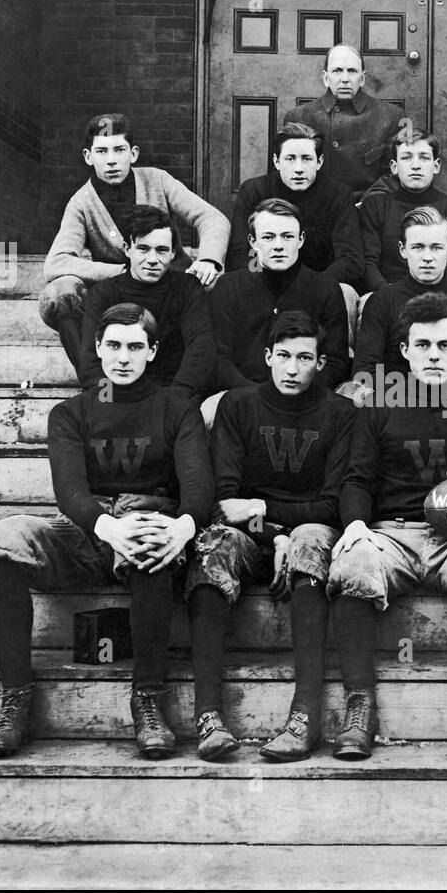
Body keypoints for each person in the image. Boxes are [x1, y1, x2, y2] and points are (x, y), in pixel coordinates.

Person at [0, 303, 213, 761]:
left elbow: (197, 484)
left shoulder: (178, 408)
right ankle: (16, 699)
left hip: (150, 518)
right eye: (115, 346)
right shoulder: (71, 412)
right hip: (86, 529)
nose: (124, 357)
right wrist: (108, 528)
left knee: (153, 541)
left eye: (136, 347)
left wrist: (183, 528)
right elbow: (69, 491)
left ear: (153, 351)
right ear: (99, 350)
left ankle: (147, 699)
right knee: (6, 541)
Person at [327, 292, 447, 762]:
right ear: (405, 350)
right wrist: (353, 524)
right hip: (394, 531)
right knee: (353, 565)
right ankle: (358, 705)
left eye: (444, 345)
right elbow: (357, 478)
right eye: (423, 345)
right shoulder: (377, 407)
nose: (434, 355)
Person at [186, 311, 356, 762]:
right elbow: (224, 499)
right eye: (283, 356)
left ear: (321, 363)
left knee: (310, 539)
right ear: (267, 357)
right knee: (214, 545)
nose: (293, 368)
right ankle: (208, 715)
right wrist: (273, 531)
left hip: (303, 532)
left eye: (305, 357)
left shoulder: (340, 412)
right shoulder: (237, 405)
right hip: (250, 534)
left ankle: (305, 716)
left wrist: (268, 514)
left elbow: (334, 503)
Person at [40, 112, 230, 372]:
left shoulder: (157, 180)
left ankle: (209, 373)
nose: (111, 160)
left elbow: (212, 218)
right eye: (102, 151)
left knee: (222, 284)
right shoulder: (82, 202)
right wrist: (121, 271)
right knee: (60, 291)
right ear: (88, 156)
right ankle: (97, 382)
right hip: (121, 297)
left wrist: (208, 260)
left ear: (133, 153)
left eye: (119, 150)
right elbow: (56, 263)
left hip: (171, 286)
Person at [206, 198, 350, 407]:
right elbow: (217, 359)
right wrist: (255, 395)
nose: (278, 246)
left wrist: (298, 394)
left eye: (287, 236)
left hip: (306, 398)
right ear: (253, 242)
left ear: (301, 239)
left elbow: (335, 362)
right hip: (241, 397)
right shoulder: (228, 287)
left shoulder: (326, 289)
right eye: (268, 237)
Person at [347, 207, 447, 396]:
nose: (427, 257)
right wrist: (415, 395)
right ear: (403, 250)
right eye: (417, 247)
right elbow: (365, 372)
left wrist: (435, 394)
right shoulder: (382, 300)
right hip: (397, 403)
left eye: (436, 247)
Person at [77, 204, 216, 398]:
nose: (153, 259)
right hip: (119, 393)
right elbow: (90, 359)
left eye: (161, 250)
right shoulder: (103, 293)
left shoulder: (187, 288)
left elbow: (201, 347)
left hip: (172, 392)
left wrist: (177, 396)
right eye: (143, 249)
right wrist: (112, 398)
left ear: (173, 253)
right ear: (127, 249)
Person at [227, 121, 364, 295]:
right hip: (262, 286)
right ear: (276, 161)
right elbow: (240, 253)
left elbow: (350, 260)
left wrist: (310, 286)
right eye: (290, 159)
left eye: (306, 159)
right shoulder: (254, 191)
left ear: (319, 162)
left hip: (317, 288)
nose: (298, 169)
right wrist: (265, 282)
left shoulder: (338, 194)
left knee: (345, 292)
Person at [357, 129, 447, 293]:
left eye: (424, 157)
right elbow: (369, 262)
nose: (415, 165)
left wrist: (426, 295)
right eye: (406, 158)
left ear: (436, 166)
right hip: (386, 293)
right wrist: (390, 294)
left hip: (442, 294)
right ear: (394, 167)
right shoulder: (375, 206)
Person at [282, 44, 403, 201]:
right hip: (317, 207)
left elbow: (397, 173)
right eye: (337, 71)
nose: (345, 79)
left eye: (352, 71)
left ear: (362, 78)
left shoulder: (394, 116)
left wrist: (368, 204)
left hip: (369, 209)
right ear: (326, 78)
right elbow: (286, 170)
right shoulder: (298, 117)